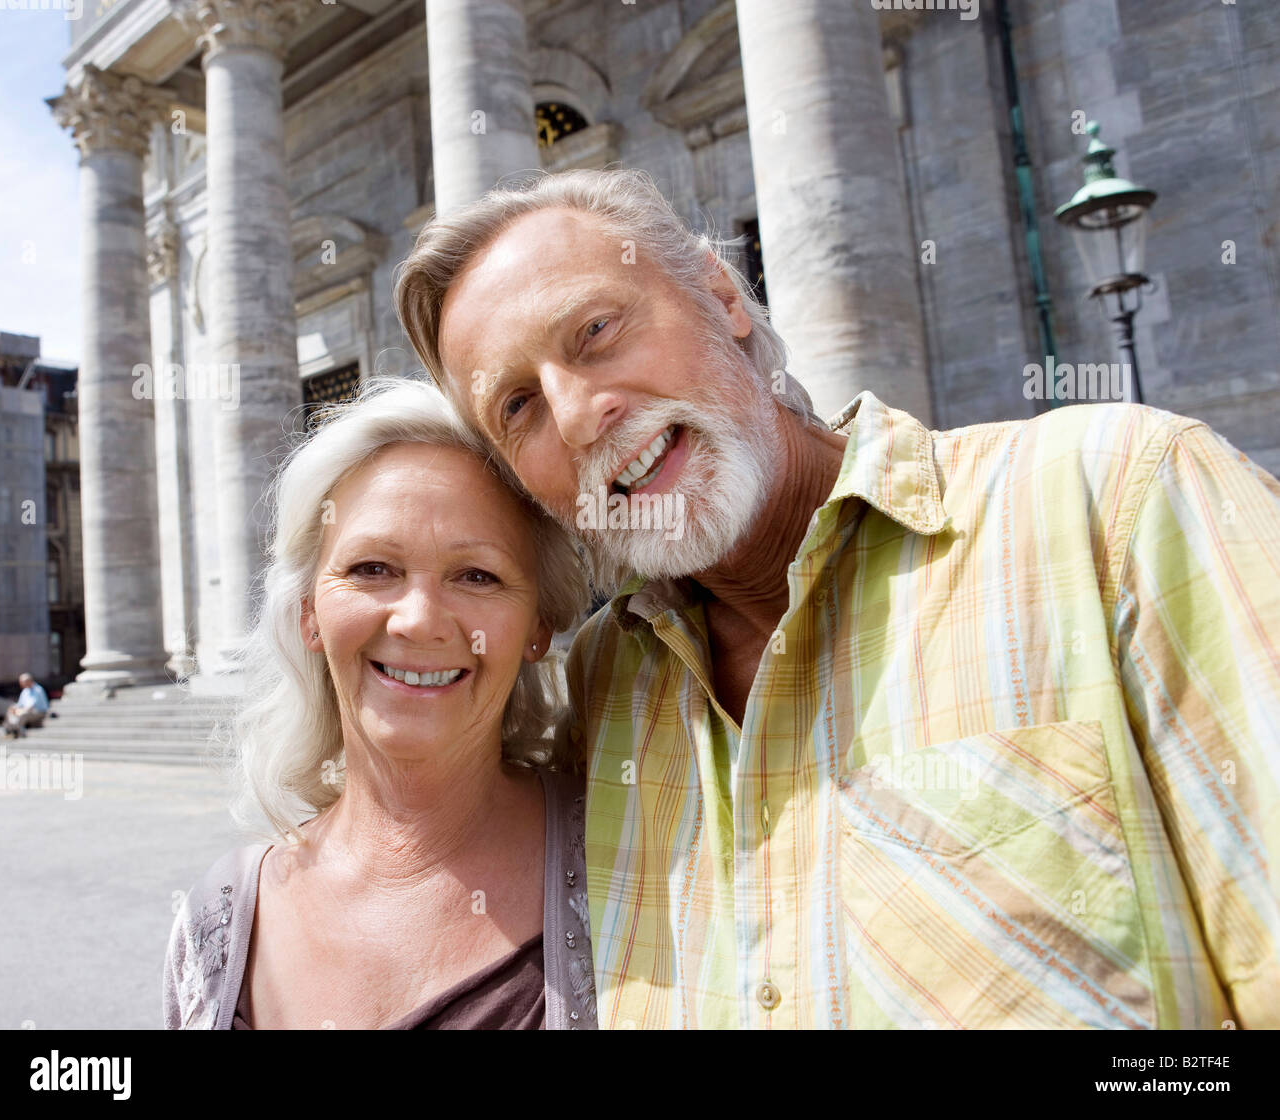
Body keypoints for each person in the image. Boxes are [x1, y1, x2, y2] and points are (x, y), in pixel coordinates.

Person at [393, 167, 1280, 1029]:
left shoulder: (1116, 500)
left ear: (723, 298)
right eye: (518, 406)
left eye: (595, 330)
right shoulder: (600, 688)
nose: (579, 412)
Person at [163, 378, 595, 1029]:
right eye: (372, 569)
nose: (418, 621)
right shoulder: (216, 926)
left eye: (477, 575)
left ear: (539, 627)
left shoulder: (634, 859)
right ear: (309, 613)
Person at [4, 673, 48, 738]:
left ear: (29, 681)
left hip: (39, 712)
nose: (21, 684)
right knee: (10, 712)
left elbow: (32, 705)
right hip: (27, 710)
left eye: (22, 682)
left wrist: (21, 711)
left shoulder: (38, 689)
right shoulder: (25, 691)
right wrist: (13, 708)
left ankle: (20, 733)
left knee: (22, 714)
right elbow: (19, 704)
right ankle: (11, 731)